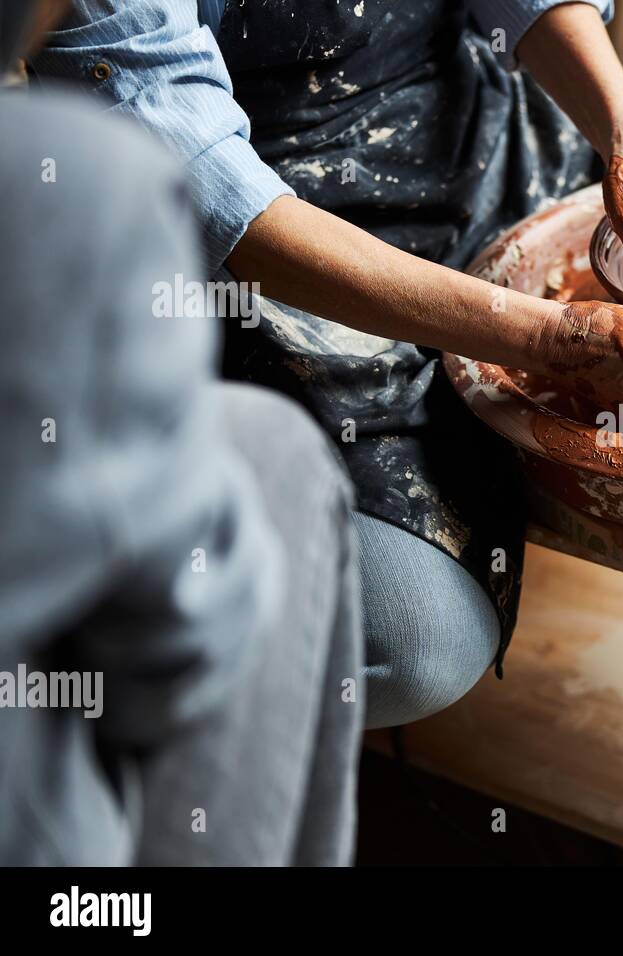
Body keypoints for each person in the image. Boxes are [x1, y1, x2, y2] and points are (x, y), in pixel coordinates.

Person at [32, 0, 623, 727]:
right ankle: (80, 663)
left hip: (461, 125)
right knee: (420, 646)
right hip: (269, 247)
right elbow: (198, 178)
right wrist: (547, 340)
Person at [0, 0, 365, 865]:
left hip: (438, 120)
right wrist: (528, 332)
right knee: (276, 459)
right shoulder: (67, 184)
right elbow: (170, 657)